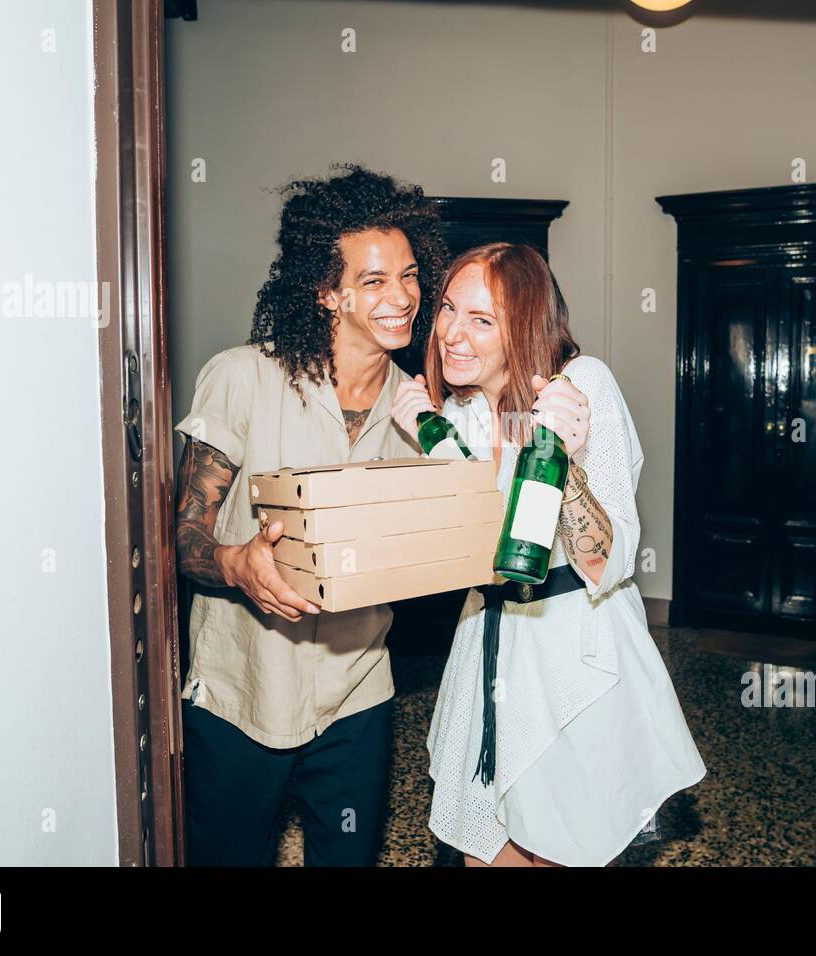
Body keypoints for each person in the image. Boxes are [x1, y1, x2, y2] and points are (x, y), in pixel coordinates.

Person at [392, 242, 707, 866]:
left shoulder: (580, 384)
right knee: (484, 844)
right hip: (488, 639)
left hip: (570, 645)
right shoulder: (460, 407)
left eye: (482, 320)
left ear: (526, 325)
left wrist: (563, 458)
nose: (452, 333)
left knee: (560, 843)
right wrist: (431, 434)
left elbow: (605, 562)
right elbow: (474, 538)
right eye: (449, 308)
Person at [173, 164, 449, 866]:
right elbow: (184, 534)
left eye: (409, 275)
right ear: (327, 291)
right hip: (242, 692)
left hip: (358, 691)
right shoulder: (242, 377)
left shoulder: (421, 413)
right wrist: (235, 563)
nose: (402, 298)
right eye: (374, 280)